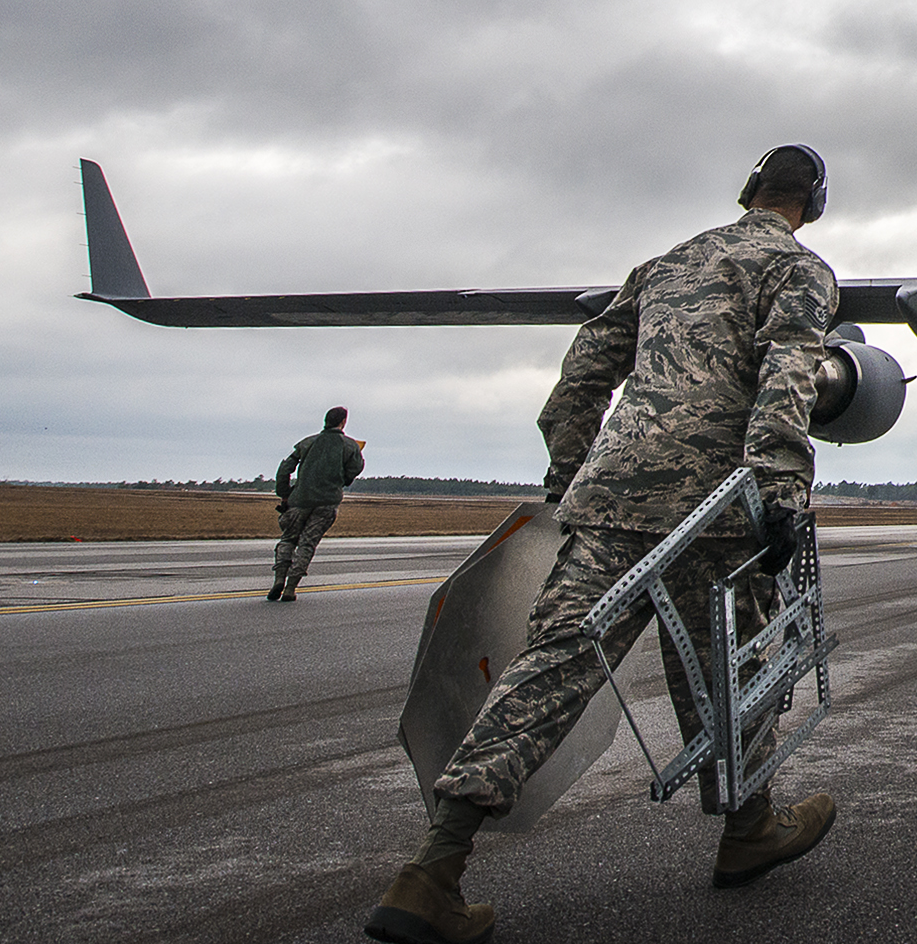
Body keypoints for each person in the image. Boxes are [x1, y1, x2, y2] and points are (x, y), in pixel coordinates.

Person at [364, 146, 843, 944]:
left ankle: (431, 870)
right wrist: (781, 487)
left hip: (612, 496)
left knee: (551, 664)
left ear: (747, 190)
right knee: (733, 662)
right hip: (713, 506)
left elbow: (584, 369)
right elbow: (787, 372)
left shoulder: (663, 264)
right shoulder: (799, 269)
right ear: (813, 204)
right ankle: (748, 822)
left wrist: (569, 470)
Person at [271, 406, 364, 601]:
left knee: (288, 539)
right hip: (327, 503)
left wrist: (285, 493)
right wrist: (342, 480)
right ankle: (290, 588)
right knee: (308, 543)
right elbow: (355, 469)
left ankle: (278, 579)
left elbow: (285, 468)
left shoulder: (307, 442)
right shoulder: (350, 446)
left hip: (299, 500)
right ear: (343, 422)